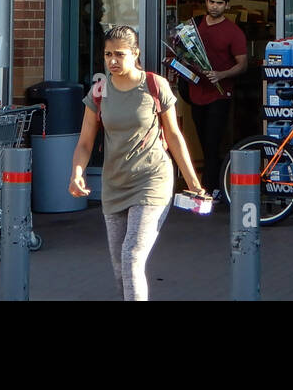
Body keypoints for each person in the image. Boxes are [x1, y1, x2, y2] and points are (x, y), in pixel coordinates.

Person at [68, 25, 204, 301]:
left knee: (131, 257)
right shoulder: (99, 91)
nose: (113, 61)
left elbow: (174, 136)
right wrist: (77, 173)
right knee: (120, 268)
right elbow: (85, 142)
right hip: (114, 183)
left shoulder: (155, 85)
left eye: (119, 54)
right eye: (108, 55)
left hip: (152, 179)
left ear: (135, 54)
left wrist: (193, 182)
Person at [187, 0, 248, 193]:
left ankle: (209, 189)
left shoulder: (234, 32)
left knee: (213, 143)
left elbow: (243, 64)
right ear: (205, 2)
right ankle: (211, 185)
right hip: (196, 93)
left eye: (219, 3)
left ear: (227, 5)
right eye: (211, 2)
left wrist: (221, 75)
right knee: (204, 142)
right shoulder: (195, 26)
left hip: (220, 94)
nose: (214, 6)